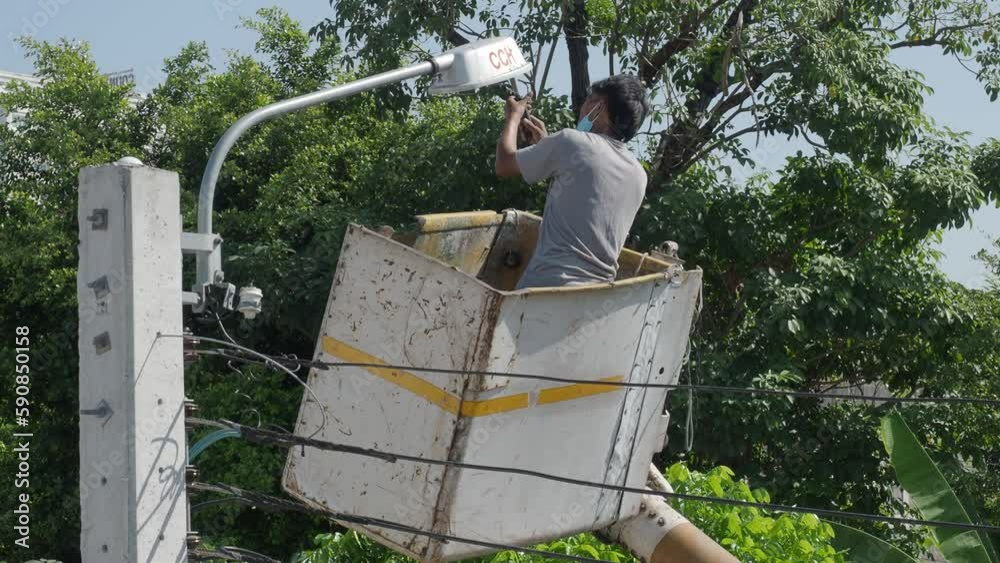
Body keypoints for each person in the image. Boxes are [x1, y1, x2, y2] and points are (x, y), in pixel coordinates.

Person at [495, 74, 651, 289]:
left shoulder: (571, 142)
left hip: (544, 288)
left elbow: (504, 164)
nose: (583, 107)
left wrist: (513, 117)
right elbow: (579, 190)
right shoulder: (638, 174)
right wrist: (545, 145)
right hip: (593, 297)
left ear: (599, 106)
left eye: (588, 100)